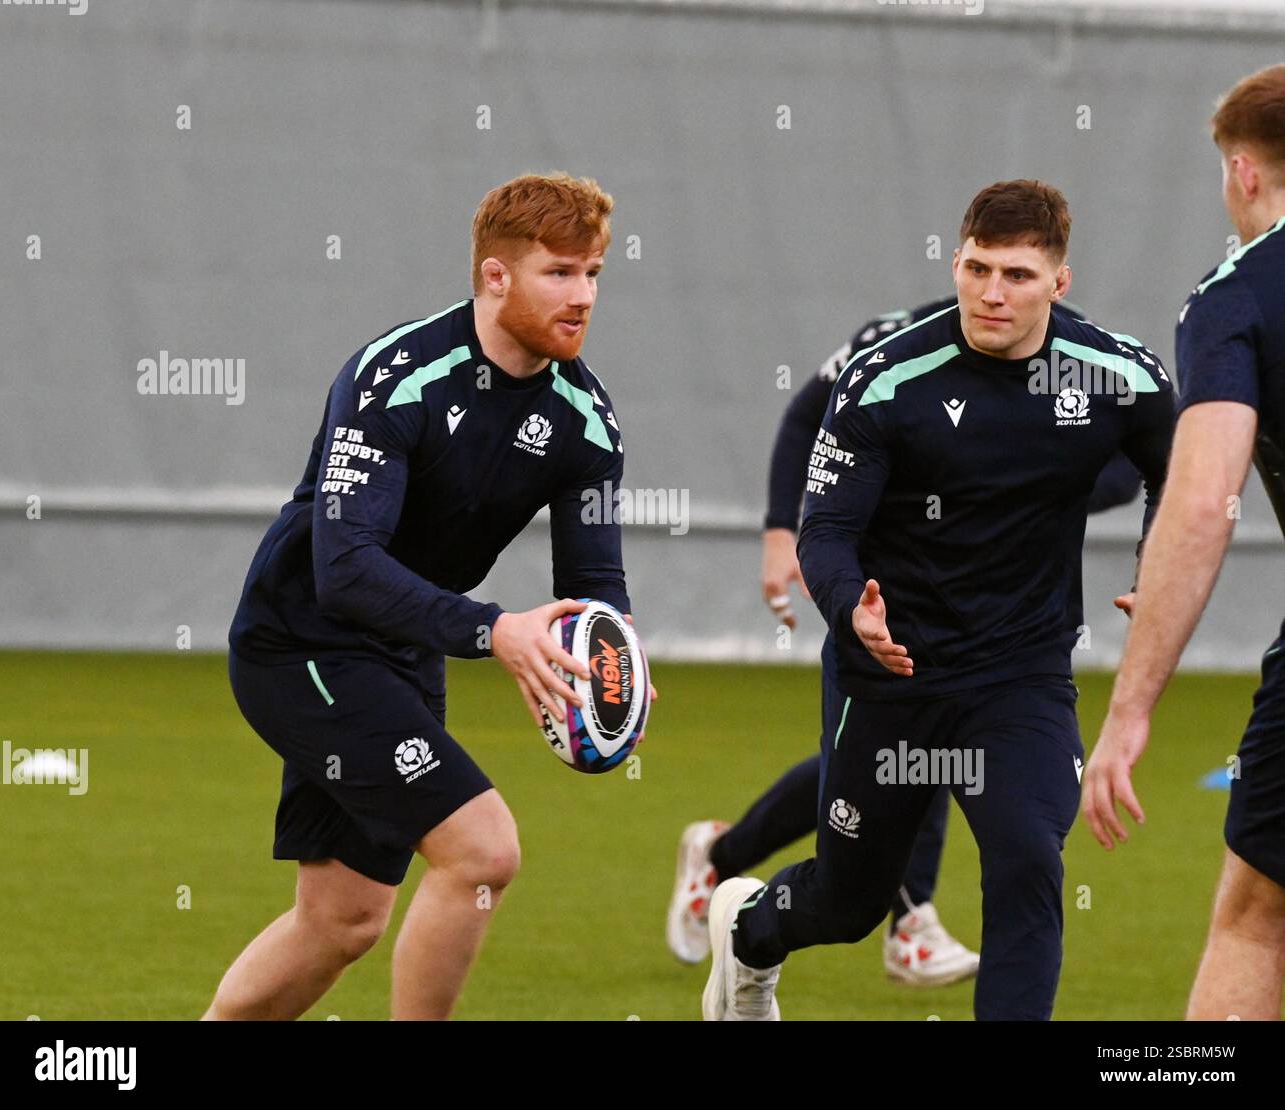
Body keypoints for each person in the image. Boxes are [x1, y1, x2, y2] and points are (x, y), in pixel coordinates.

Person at [701, 179, 1174, 1021]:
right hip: (890, 671)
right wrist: (852, 607)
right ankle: (746, 930)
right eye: (978, 268)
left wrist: (1154, 566)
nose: (993, 292)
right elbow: (826, 531)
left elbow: (1180, 474)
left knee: (1029, 862)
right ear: (955, 262)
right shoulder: (885, 377)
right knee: (847, 906)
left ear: (1060, 283)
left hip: (1020, 675)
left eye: (1019, 276)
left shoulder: (1120, 376)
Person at [205, 171, 641, 1020]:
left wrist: (613, 654)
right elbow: (347, 569)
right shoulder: (397, 377)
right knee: (482, 853)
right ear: (493, 276)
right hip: (302, 643)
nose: (583, 296)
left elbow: (592, 584)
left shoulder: (586, 419)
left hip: (402, 651)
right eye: (559, 272)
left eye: (593, 273)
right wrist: (494, 632)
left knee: (342, 921)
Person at [1082, 63, 1285, 1021]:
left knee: (1257, 919)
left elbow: (1203, 501)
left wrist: (1128, 711)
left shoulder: (1236, 296)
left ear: (1244, 172)